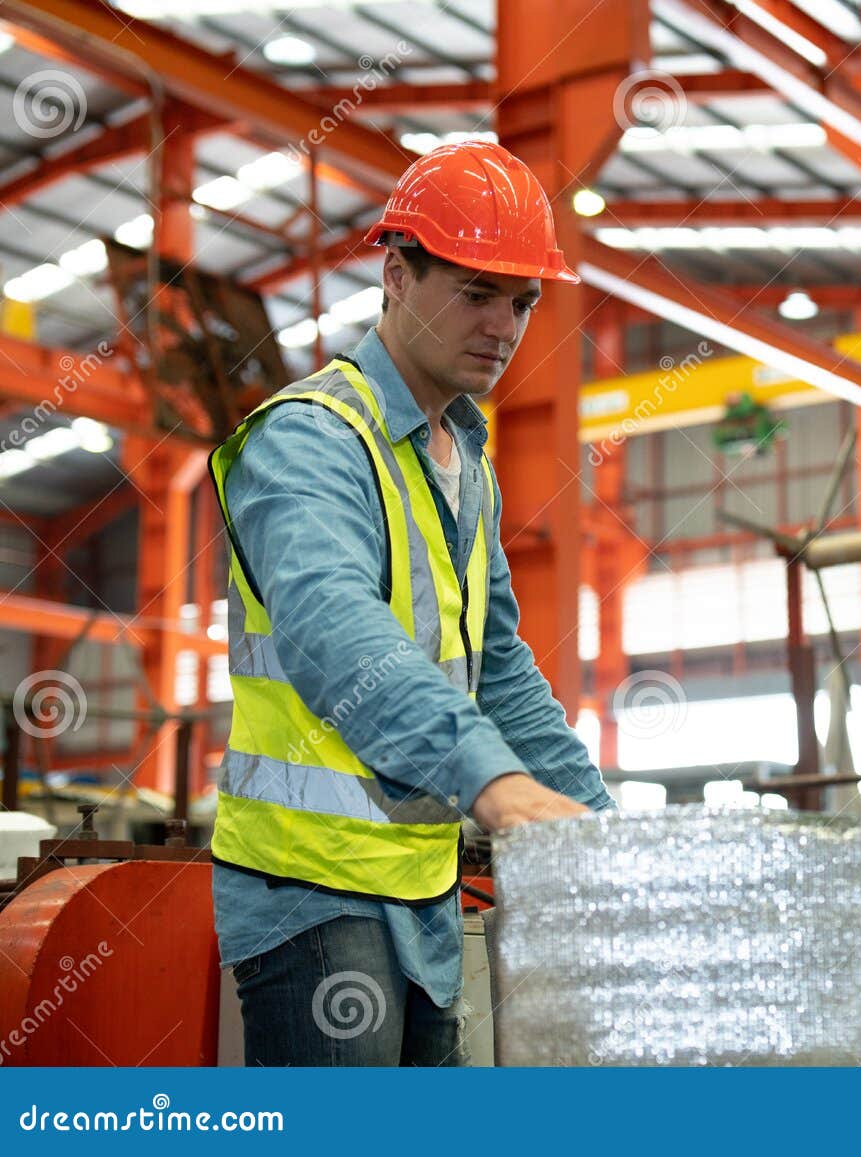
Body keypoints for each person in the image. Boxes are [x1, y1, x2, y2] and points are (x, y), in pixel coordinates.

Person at [208, 140, 612, 1066]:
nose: (504, 327)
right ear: (396, 274)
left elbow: (501, 671)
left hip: (419, 889)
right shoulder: (309, 442)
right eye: (477, 294)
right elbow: (338, 633)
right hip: (310, 892)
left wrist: (599, 831)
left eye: (522, 303)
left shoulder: (465, 462)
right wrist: (492, 781)